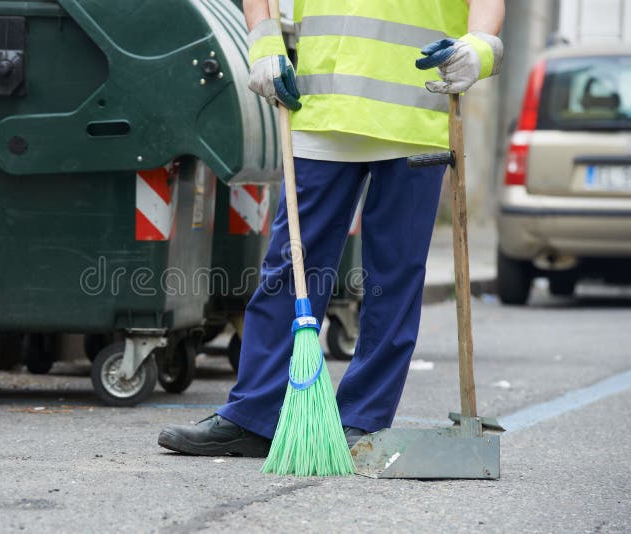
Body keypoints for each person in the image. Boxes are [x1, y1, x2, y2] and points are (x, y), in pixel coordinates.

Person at [158, 0, 505, 457]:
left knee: (393, 279)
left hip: (414, 116)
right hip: (322, 112)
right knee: (290, 267)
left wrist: (479, 47)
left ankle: (361, 420)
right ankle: (254, 417)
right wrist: (263, 43)